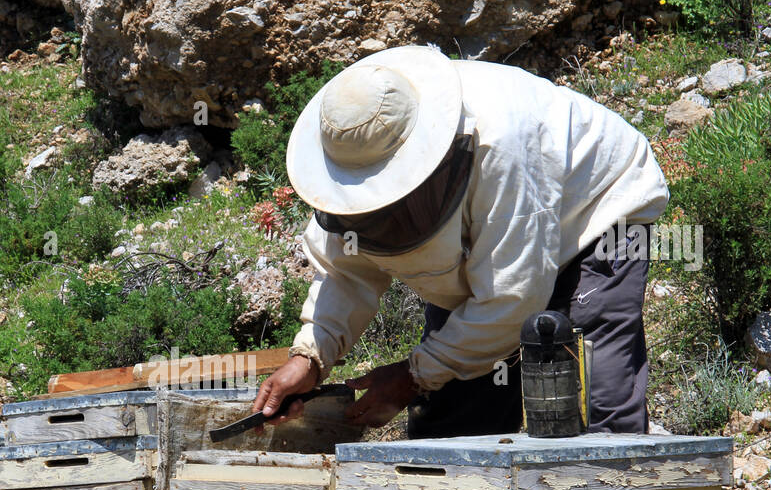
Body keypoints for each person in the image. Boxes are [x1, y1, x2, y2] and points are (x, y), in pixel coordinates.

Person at [252, 45, 669, 437]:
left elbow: (512, 298)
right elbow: (344, 272)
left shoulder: (500, 142)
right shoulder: (353, 152)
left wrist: (410, 378)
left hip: (597, 210)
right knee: (451, 418)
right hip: (490, 245)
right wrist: (309, 357)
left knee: (596, 396)